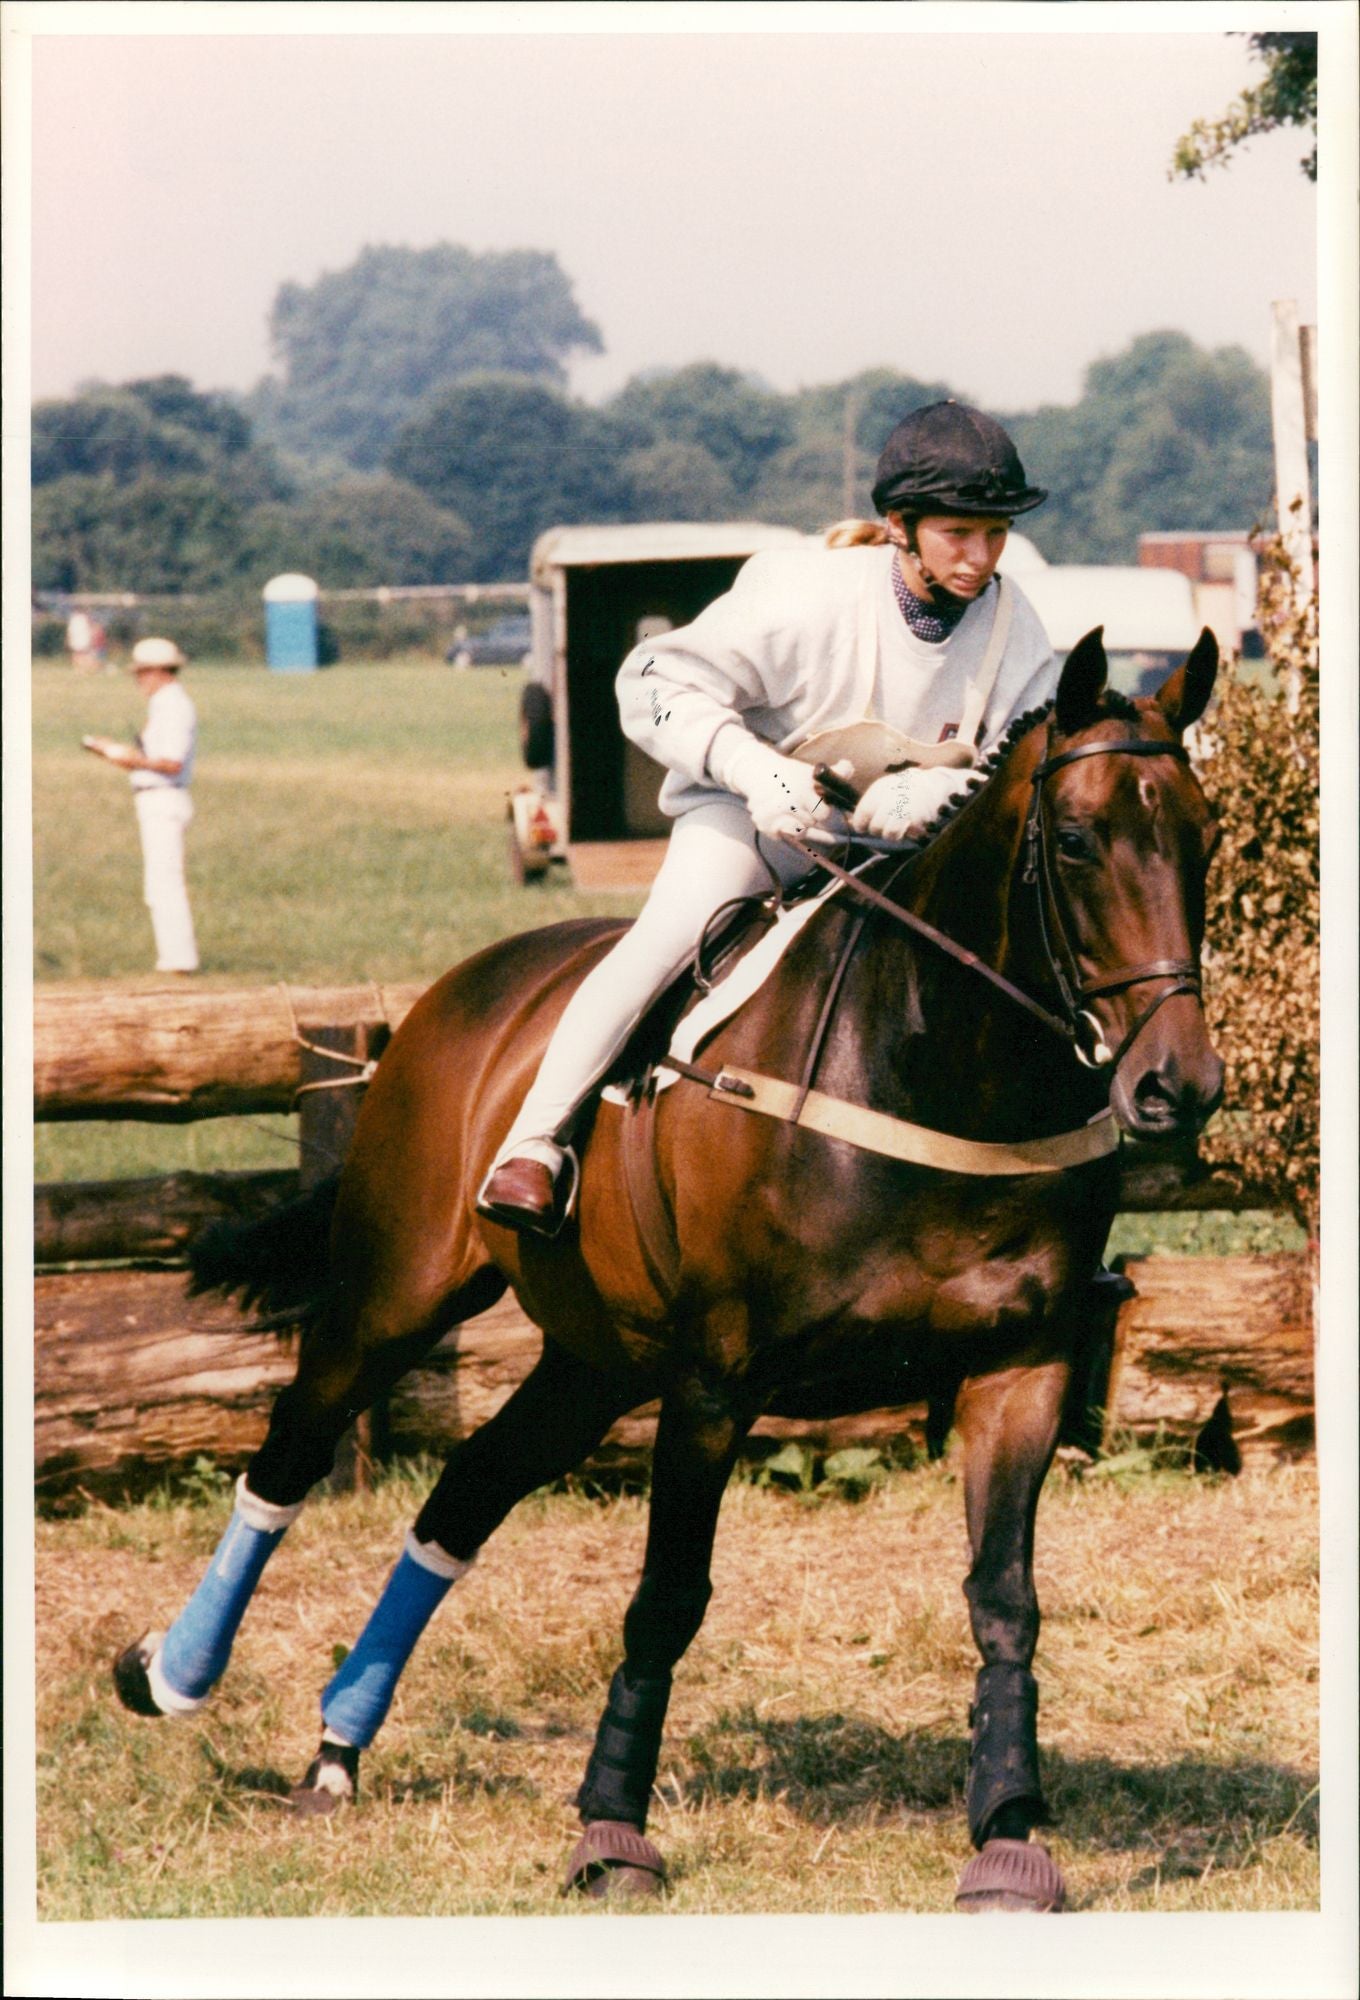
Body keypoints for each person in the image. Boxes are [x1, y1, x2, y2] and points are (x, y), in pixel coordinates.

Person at [477, 400, 1056, 1235]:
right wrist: (754, 767)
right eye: (958, 535)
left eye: (994, 535)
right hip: (759, 827)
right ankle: (535, 1144)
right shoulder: (810, 593)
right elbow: (650, 683)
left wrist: (944, 798)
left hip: (905, 852)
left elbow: (1021, 769)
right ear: (901, 525)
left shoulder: (1017, 626)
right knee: (666, 938)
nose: (980, 558)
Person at [82, 636, 199, 974]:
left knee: (165, 882)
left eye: (142, 673)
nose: (138, 680)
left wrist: (126, 759)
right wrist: (116, 752)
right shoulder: (164, 705)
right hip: (154, 798)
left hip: (164, 797)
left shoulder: (174, 706)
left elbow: (171, 762)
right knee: (158, 883)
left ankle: (179, 961)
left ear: (161, 671)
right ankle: (174, 957)